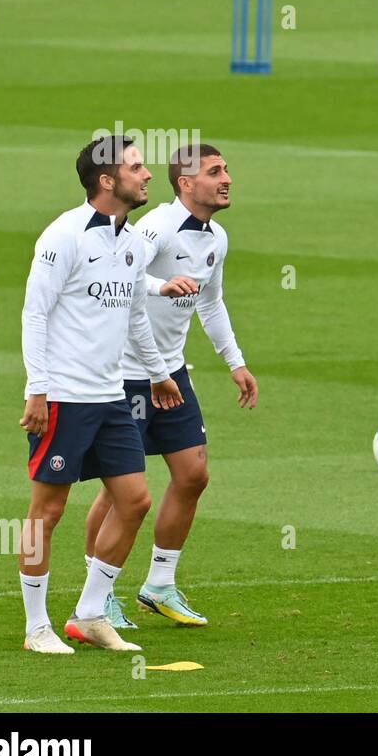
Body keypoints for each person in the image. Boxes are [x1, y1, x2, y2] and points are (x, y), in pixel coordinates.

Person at [19, 135, 183, 653]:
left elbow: (134, 316)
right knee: (47, 512)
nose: (148, 175)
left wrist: (157, 373)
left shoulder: (133, 243)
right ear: (107, 181)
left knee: (134, 500)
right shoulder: (63, 236)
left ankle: (90, 614)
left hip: (113, 397)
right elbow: (35, 313)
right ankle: (35, 626)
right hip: (65, 396)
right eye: (137, 167)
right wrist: (38, 389)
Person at [84, 143, 258, 629]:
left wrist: (235, 362)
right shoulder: (156, 228)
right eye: (215, 172)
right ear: (185, 183)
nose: (227, 179)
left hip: (171, 372)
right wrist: (163, 285)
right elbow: (119, 278)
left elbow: (212, 303)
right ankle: (99, 595)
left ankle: (160, 585)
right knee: (120, 490)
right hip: (126, 374)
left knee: (193, 474)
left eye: (227, 170)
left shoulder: (215, 237)